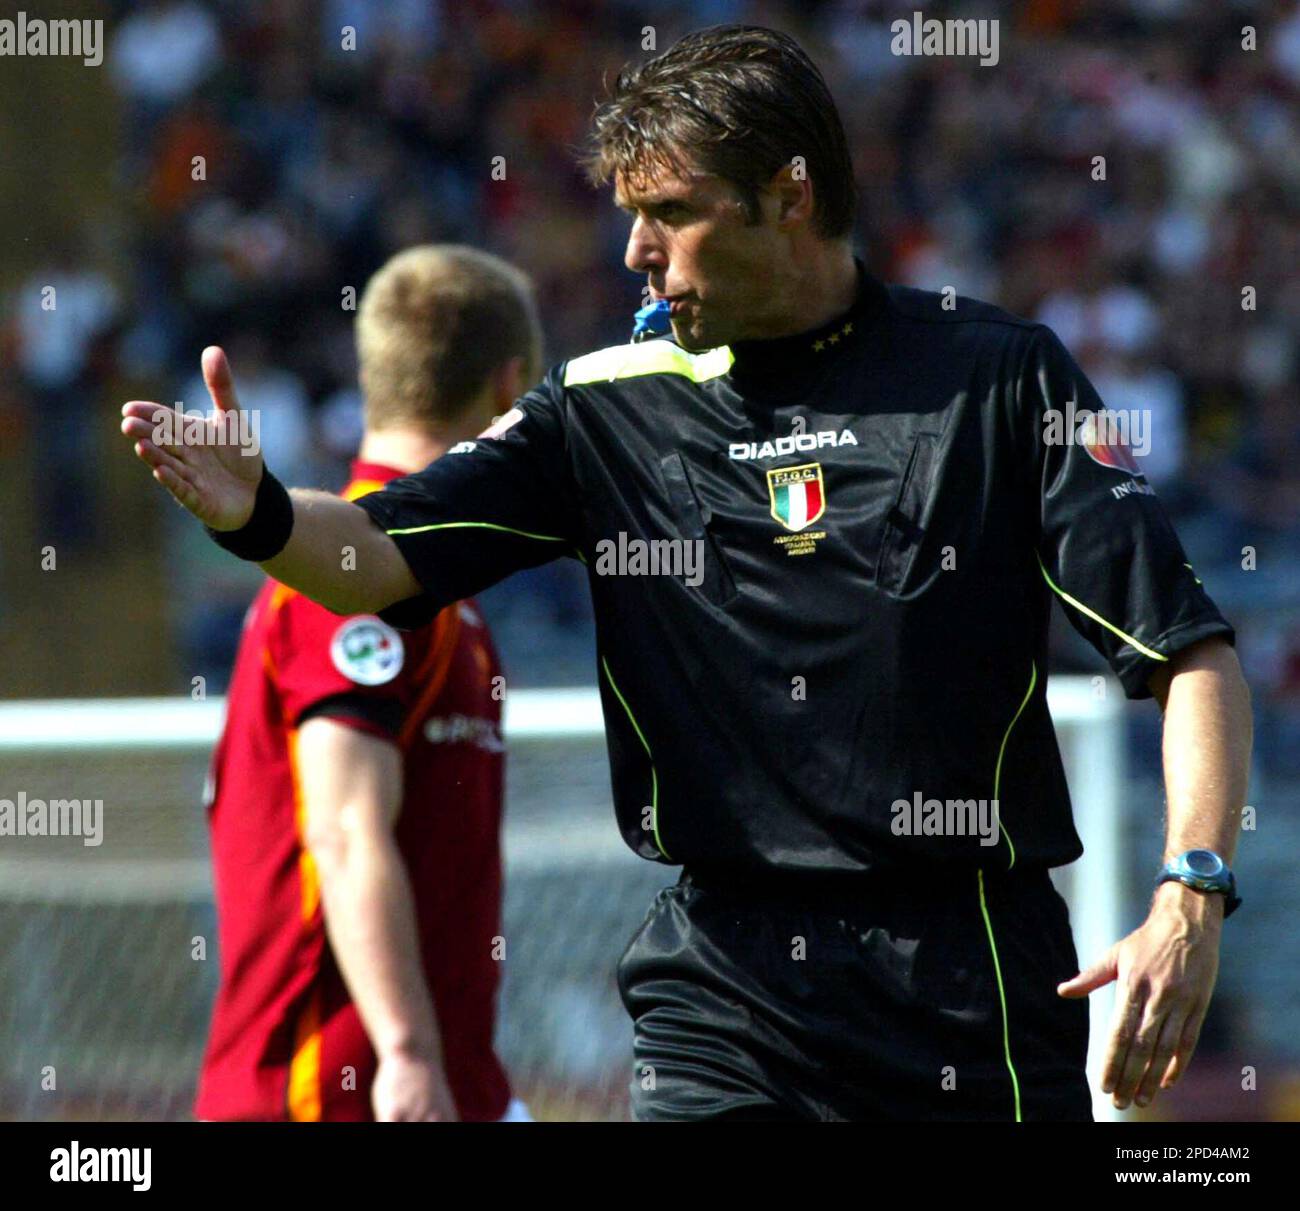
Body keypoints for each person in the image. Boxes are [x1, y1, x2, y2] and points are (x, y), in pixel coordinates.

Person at [125, 26, 1252, 1122]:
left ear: (789, 194)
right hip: (724, 985)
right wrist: (261, 513)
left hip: (969, 980)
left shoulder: (998, 376)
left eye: (668, 213)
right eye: (628, 215)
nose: (634, 252)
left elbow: (1187, 649)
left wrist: (1189, 885)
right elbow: (375, 558)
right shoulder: (605, 405)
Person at [189, 245, 540, 1122]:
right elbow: (344, 831)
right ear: (509, 386)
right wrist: (408, 1052)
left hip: (440, 1087)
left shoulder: (424, 569)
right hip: (333, 1090)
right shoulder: (349, 574)